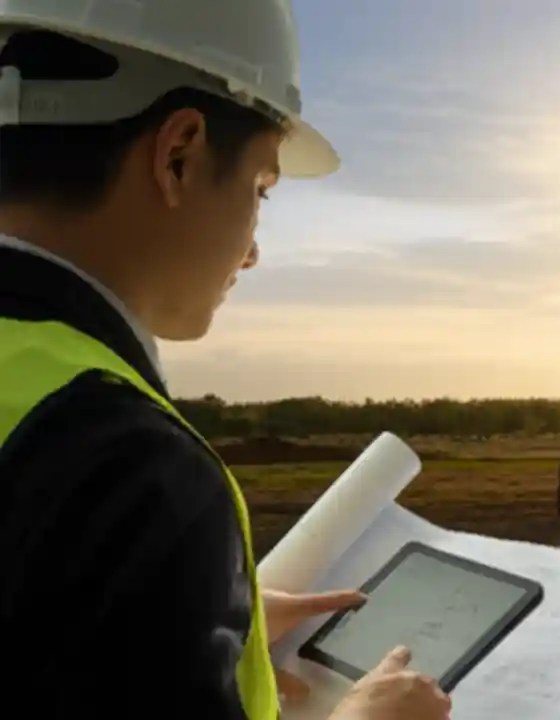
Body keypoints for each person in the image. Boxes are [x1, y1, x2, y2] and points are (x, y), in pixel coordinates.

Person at [0, 4, 451, 719]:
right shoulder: (132, 473)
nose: (252, 251)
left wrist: (178, 622)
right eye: (261, 190)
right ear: (179, 153)